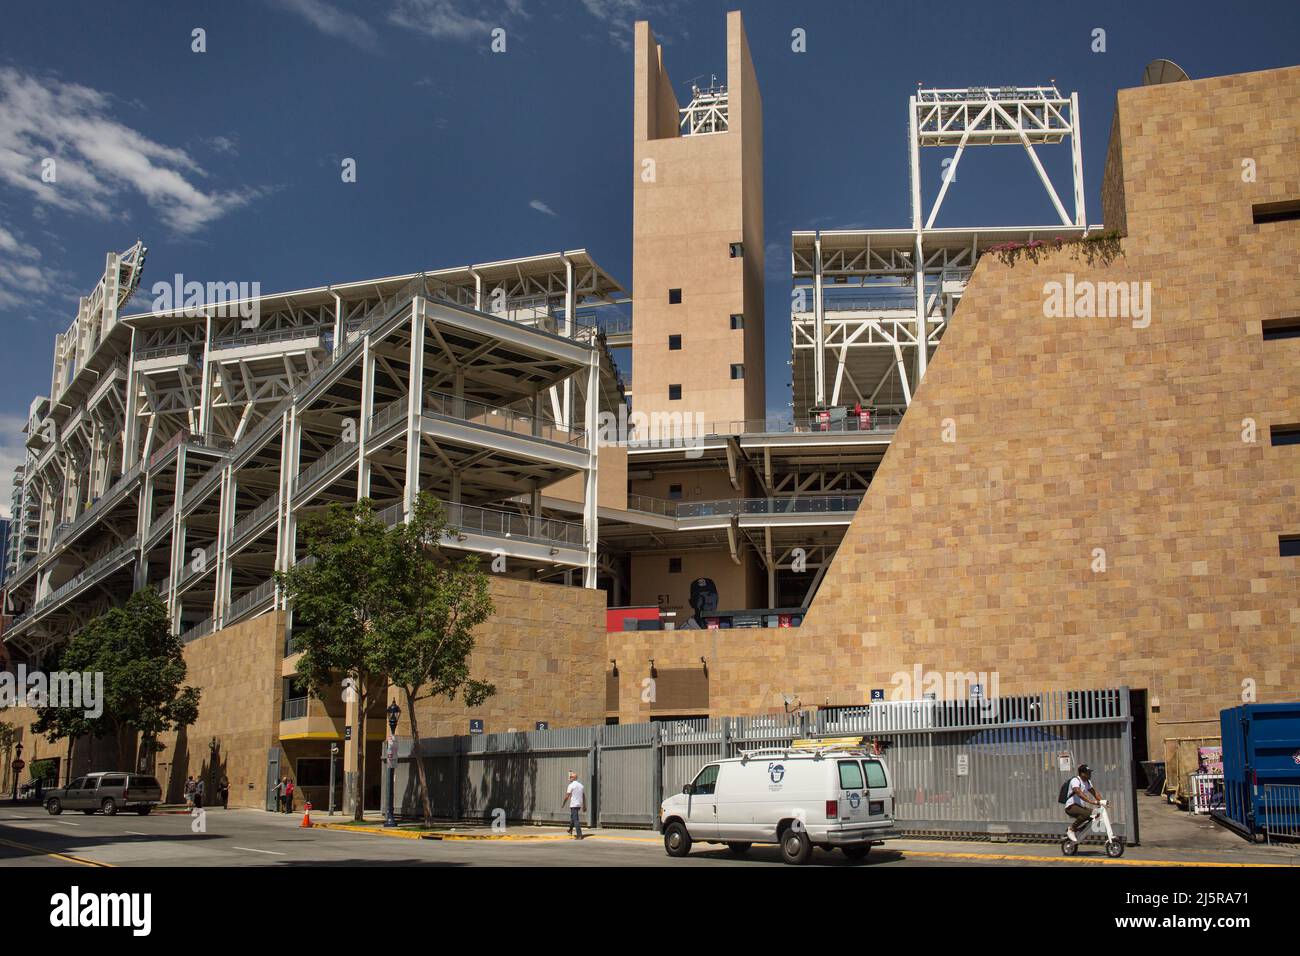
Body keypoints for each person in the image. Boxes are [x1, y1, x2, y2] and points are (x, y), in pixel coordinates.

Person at [1064, 763, 1103, 841]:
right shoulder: (1075, 780)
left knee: (1097, 814)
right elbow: (1079, 793)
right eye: (1088, 772)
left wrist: (1102, 802)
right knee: (1086, 814)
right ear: (1082, 773)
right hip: (1071, 807)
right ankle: (1071, 829)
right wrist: (1091, 802)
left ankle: (1079, 830)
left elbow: (1095, 793)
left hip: (1080, 807)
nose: (1090, 774)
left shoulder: (1088, 782)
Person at [562, 770, 586, 840]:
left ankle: (579, 835)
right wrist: (584, 805)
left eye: (571, 777)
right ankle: (570, 830)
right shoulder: (581, 785)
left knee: (576, 820)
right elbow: (583, 796)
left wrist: (563, 803)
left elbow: (567, 796)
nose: (570, 778)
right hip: (579, 804)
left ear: (574, 778)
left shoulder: (571, 785)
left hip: (574, 804)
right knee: (573, 817)